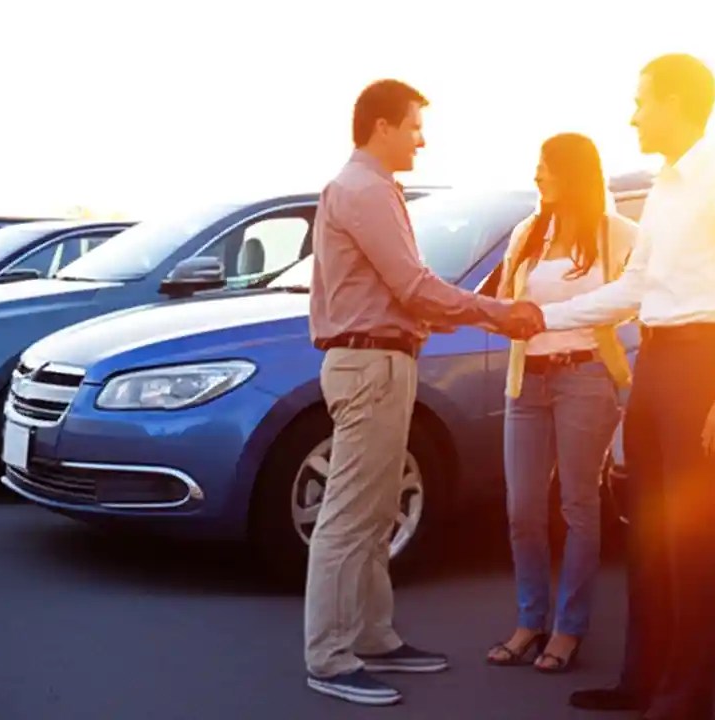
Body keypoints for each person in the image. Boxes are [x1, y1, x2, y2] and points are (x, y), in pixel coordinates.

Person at [528, 54, 715, 719]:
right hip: (657, 362)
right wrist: (539, 318)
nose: (633, 114)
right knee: (646, 535)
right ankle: (641, 682)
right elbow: (632, 289)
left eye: (642, 101)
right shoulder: (666, 187)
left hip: (704, 365)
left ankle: (685, 697)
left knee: (691, 543)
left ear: (676, 102)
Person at [304, 78, 542, 707]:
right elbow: (413, 285)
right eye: (413, 126)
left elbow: (402, 293)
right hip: (370, 366)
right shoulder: (363, 190)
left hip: (383, 363)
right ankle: (329, 656)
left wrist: (447, 314)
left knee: (377, 511)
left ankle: (375, 637)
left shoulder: (370, 189)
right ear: (382, 125)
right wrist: (497, 312)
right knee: (350, 516)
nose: (422, 138)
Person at [484, 133, 640, 673]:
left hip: (586, 378)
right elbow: (506, 301)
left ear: (573, 172)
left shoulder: (619, 234)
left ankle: (569, 629)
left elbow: (631, 303)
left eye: (545, 166)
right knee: (521, 507)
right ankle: (531, 619)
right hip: (527, 380)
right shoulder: (529, 232)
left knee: (578, 505)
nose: (537, 176)